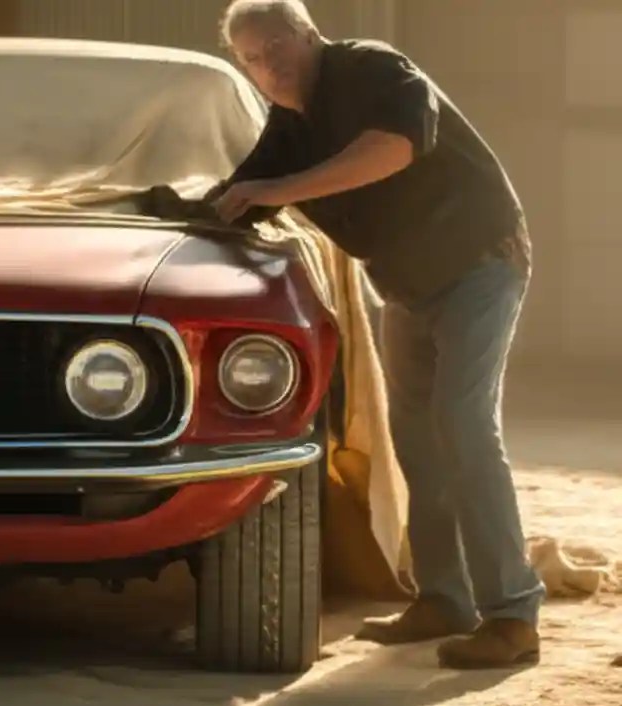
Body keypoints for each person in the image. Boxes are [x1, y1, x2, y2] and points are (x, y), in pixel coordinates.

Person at [209, 0, 546, 669]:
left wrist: (282, 189)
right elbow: (241, 196)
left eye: (277, 46)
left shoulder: (373, 70)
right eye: (251, 58)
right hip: (406, 285)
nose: (268, 66)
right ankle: (445, 598)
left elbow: (392, 148)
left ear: (309, 34)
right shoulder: (288, 128)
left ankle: (512, 615)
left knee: (463, 424)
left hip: (480, 261)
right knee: (416, 439)